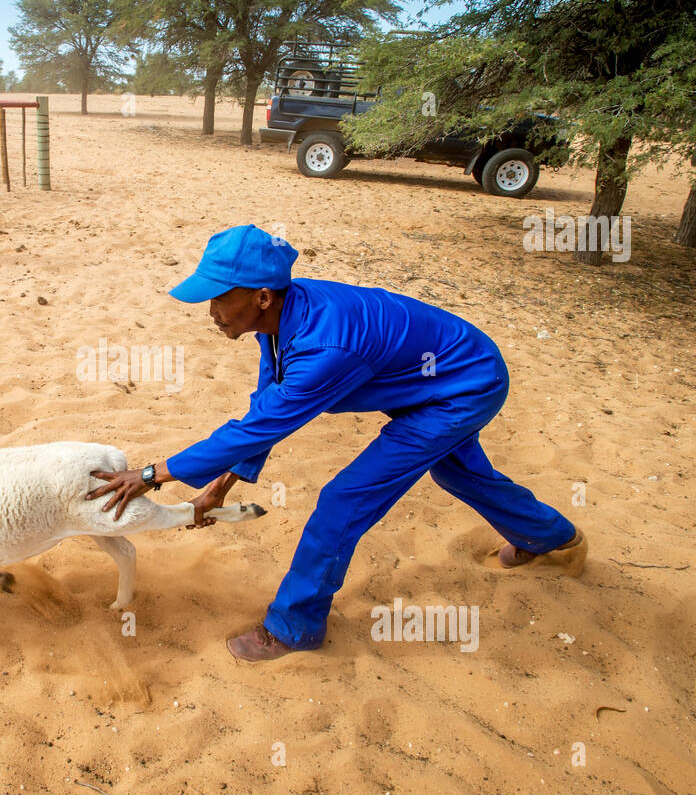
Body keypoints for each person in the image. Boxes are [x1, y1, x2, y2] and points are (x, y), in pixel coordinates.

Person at [87, 224, 587, 663]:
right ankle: (552, 539)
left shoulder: (324, 348)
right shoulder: (279, 320)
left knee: (343, 500)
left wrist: (152, 473)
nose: (212, 311)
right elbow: (265, 409)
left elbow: (259, 427)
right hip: (433, 375)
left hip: (461, 385)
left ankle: (293, 628)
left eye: (220, 298)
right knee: (455, 470)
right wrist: (219, 487)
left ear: (262, 295)